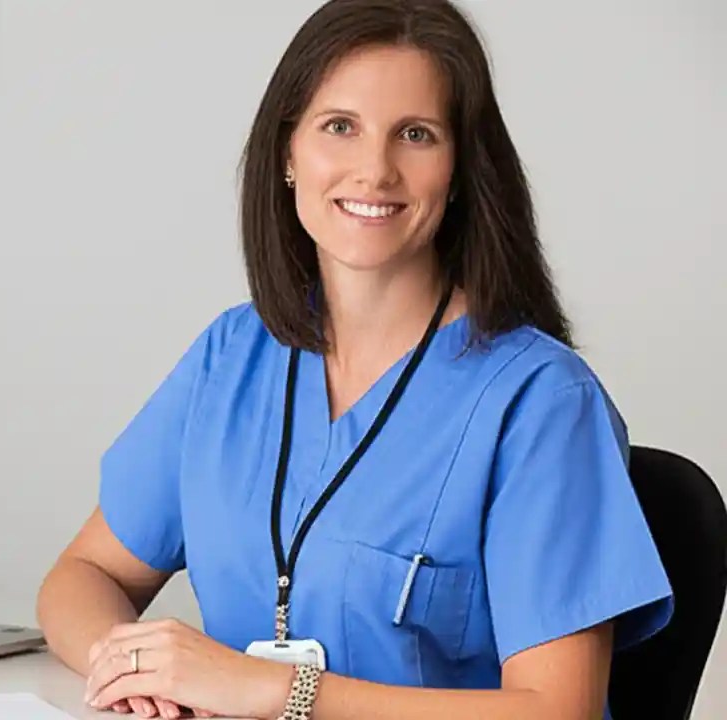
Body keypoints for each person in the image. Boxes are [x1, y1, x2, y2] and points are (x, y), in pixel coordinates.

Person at [34, 1, 674, 718]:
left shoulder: (540, 400)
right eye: (340, 127)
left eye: (416, 135)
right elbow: (82, 574)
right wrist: (132, 669)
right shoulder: (232, 355)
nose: (375, 170)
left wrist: (275, 692)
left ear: (461, 169)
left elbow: (558, 711)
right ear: (288, 152)